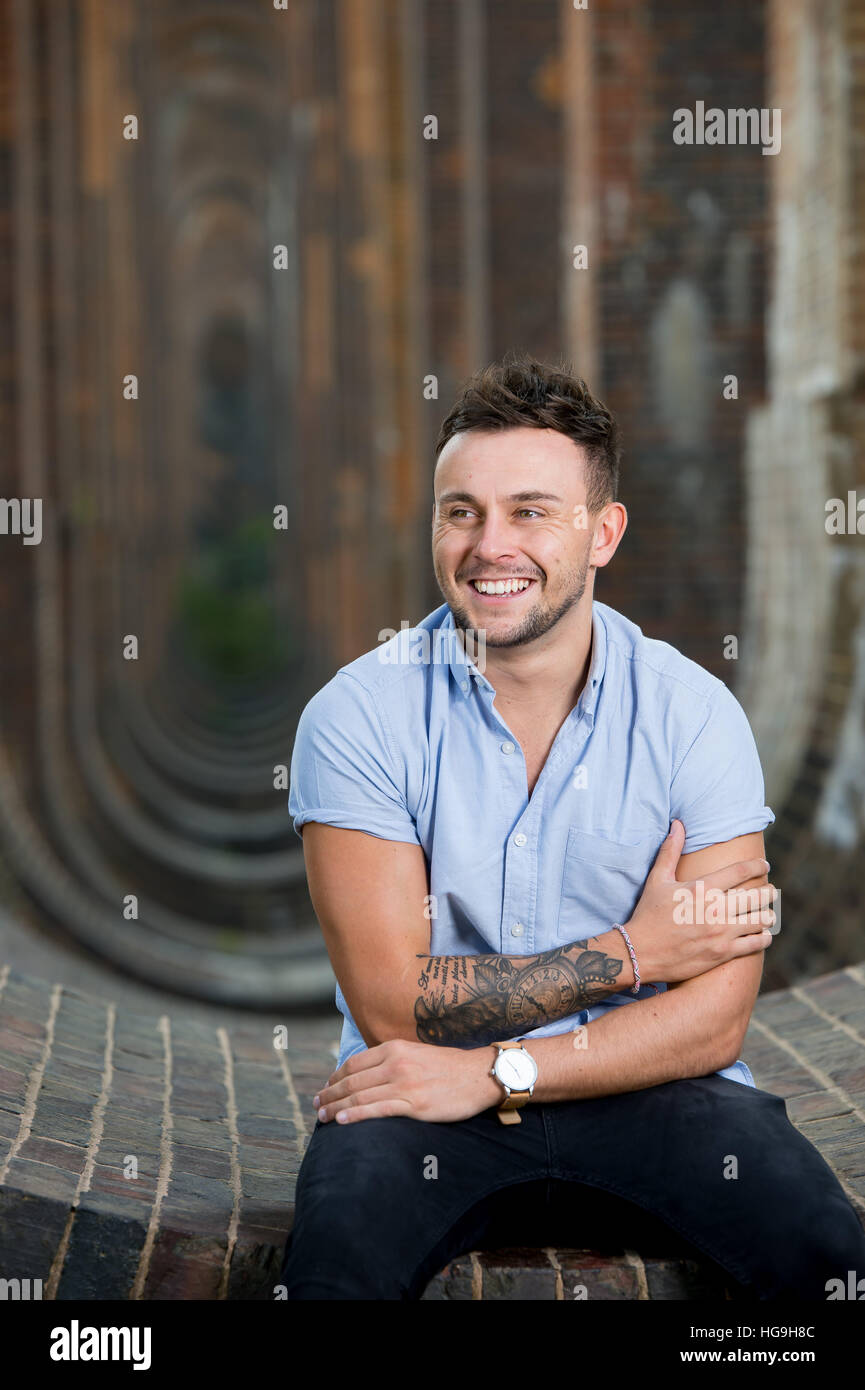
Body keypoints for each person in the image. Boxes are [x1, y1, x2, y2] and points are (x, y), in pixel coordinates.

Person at [278, 352, 865, 1300]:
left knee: (827, 1263)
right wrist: (635, 951)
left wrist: (498, 1071)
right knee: (334, 1272)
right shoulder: (357, 717)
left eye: (530, 511)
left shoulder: (694, 716)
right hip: (417, 1108)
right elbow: (395, 1006)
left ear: (603, 533)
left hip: (655, 1093)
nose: (489, 544)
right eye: (461, 510)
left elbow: (713, 1019)